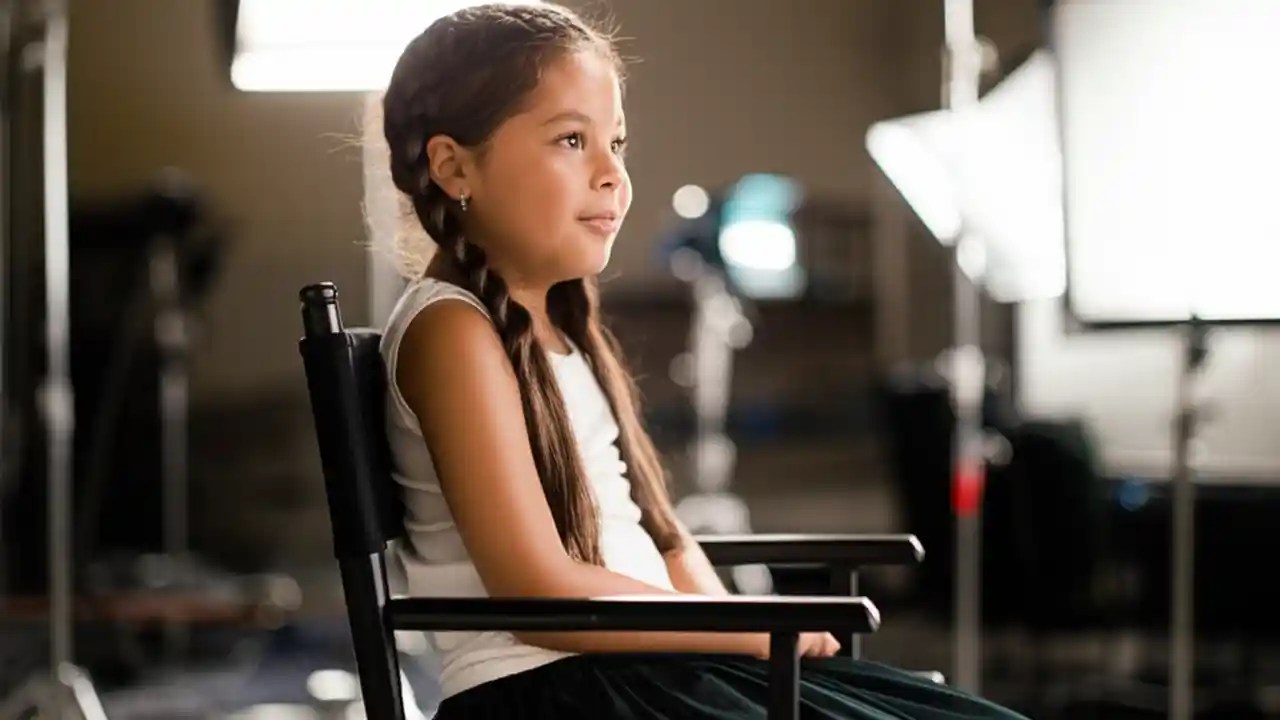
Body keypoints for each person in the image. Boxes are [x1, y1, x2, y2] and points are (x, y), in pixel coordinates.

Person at [376, 3, 1030, 718]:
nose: (612, 174)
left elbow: (666, 540)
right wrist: (745, 630)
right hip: (555, 691)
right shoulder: (453, 331)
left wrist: (740, 634)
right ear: (453, 166)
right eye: (571, 139)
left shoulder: (557, 325)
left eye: (616, 143)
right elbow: (537, 592)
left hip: (641, 670)